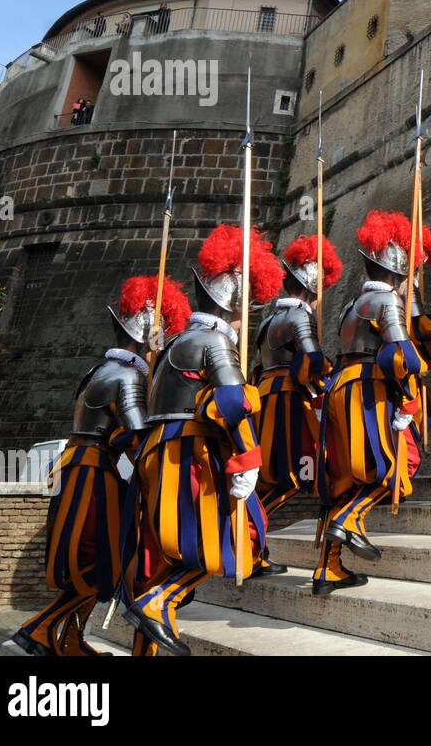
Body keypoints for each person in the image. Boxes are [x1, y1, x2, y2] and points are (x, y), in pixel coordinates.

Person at [12, 276, 190, 656]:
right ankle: (38, 630)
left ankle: (70, 640)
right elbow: (138, 435)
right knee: (97, 565)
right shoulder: (128, 377)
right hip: (93, 473)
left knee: (91, 562)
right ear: (147, 338)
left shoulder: (97, 370)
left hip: (77, 466)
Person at [125, 225, 280, 655]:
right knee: (237, 537)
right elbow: (232, 404)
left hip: (157, 454)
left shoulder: (177, 340)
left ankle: (149, 630)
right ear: (235, 306)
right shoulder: (214, 343)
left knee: (160, 557)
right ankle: (157, 604)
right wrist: (248, 460)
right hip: (190, 455)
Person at [316, 211, 427, 588]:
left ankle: (327, 568)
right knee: (394, 465)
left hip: (340, 386)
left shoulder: (350, 305)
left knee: (344, 479)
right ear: (396, 274)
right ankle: (348, 521)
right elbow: (401, 355)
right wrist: (412, 389)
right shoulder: (388, 303)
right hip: (367, 389)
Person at [252, 234, 341, 576]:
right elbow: (312, 362)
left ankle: (255, 546)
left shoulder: (268, 320)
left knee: (269, 478)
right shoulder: (300, 318)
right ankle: (246, 531)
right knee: (290, 478)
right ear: (310, 290)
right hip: (287, 400)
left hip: (264, 395)